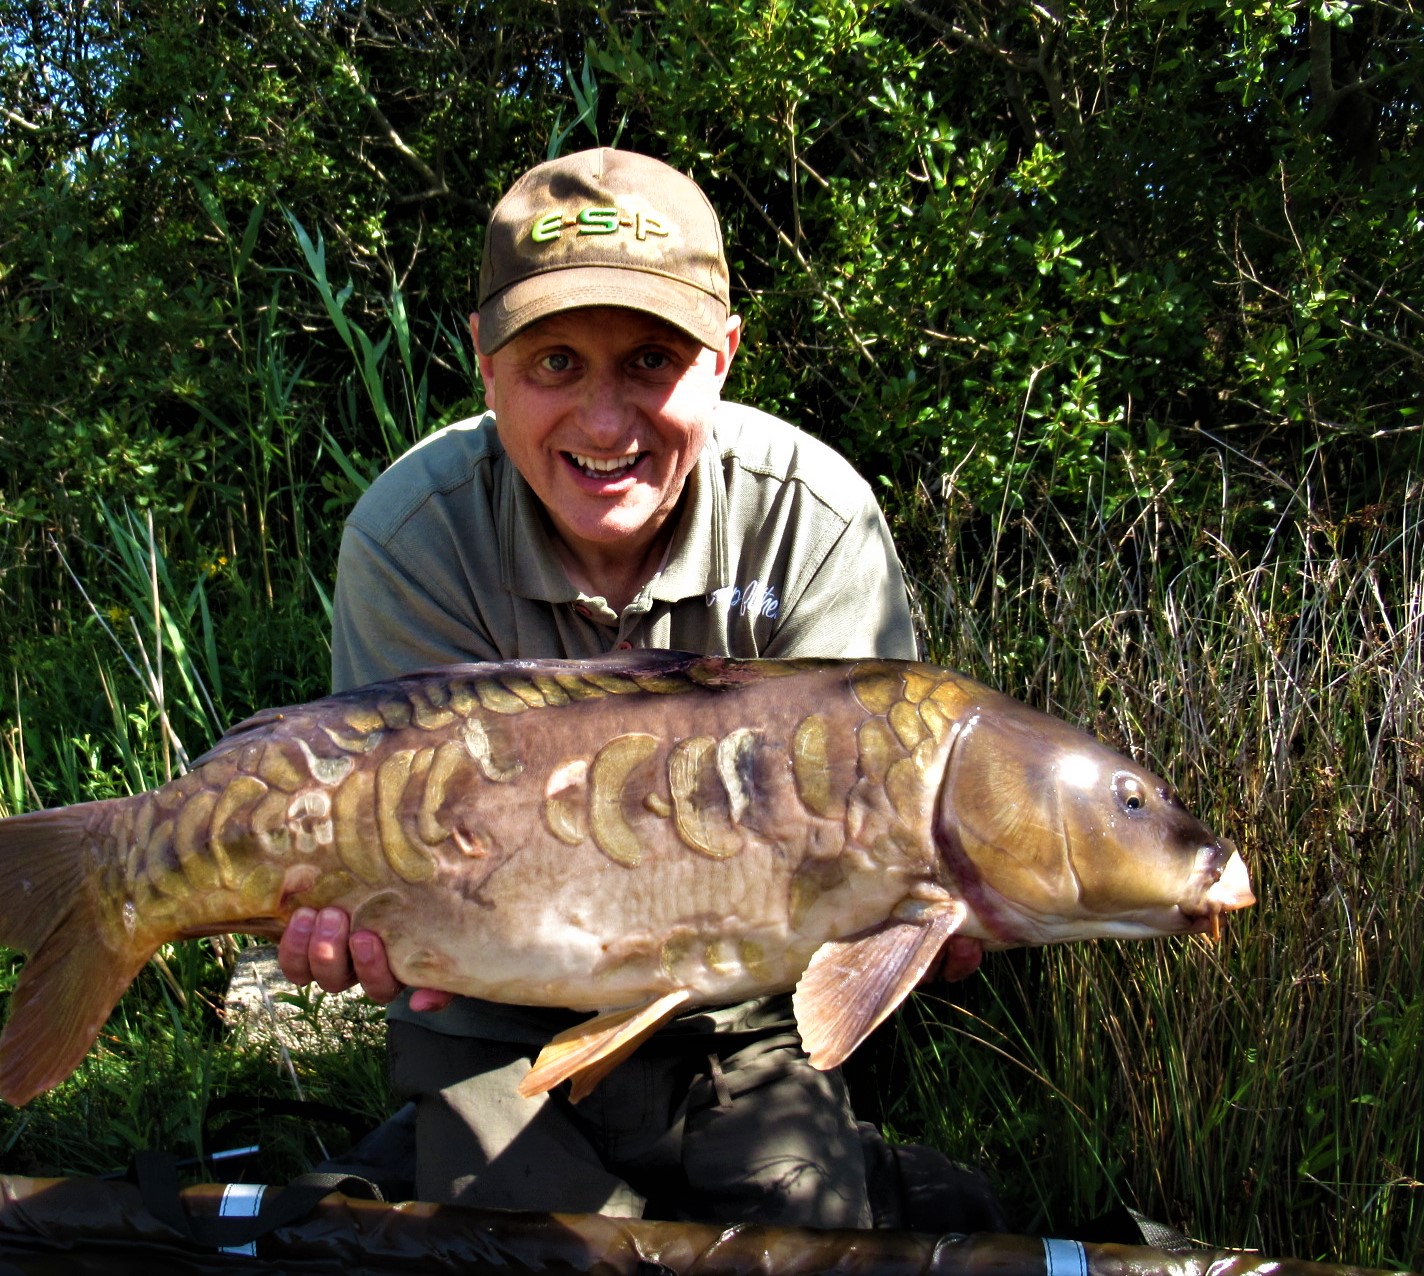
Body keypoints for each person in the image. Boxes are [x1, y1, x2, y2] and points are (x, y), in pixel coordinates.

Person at [276, 147, 983, 1227]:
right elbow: (391, 840)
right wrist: (352, 908)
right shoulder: (413, 535)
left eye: (651, 361)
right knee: (530, 1247)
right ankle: (453, 1145)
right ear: (484, 363)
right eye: (554, 363)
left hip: (735, 1014)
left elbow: (867, 854)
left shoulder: (814, 521)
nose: (604, 425)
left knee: (798, 1228)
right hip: (487, 1003)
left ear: (723, 357)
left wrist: (922, 911)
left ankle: (834, 1166)